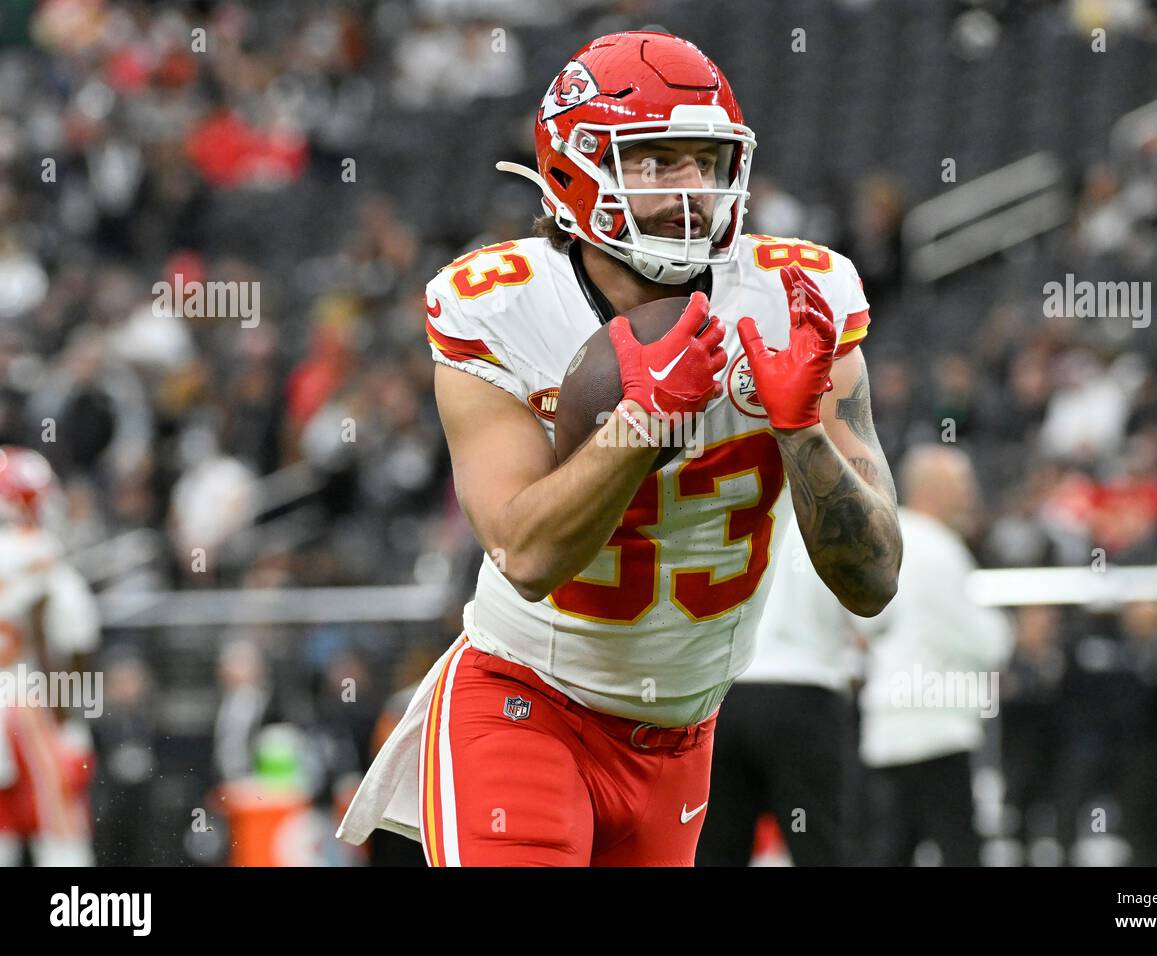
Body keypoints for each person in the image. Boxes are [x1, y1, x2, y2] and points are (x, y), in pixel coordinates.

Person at [338, 31, 901, 867]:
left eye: (705, 160)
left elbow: (874, 580)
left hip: (683, 733)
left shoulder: (794, 298)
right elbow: (525, 553)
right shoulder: (503, 307)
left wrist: (801, 430)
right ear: (572, 170)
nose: (689, 190)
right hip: (527, 700)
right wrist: (640, 425)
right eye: (655, 161)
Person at [858, 445, 1012, 866]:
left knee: (888, 851)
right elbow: (986, 642)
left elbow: (864, 625)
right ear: (934, 490)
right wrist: (1006, 631)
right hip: (936, 726)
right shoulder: (941, 550)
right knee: (961, 848)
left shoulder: (883, 538)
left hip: (887, 726)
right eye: (963, 485)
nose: (971, 496)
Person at [695, 519, 866, 867]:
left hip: (723, 695)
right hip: (805, 697)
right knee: (819, 847)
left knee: (715, 851)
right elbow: (873, 611)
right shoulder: (826, 511)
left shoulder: (726, 498)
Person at [0, 446, 100, 867]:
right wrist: (68, 717)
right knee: (61, 841)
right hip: (29, 705)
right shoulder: (38, 552)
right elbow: (73, 643)